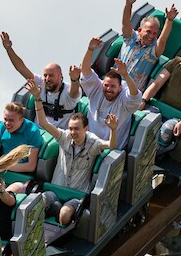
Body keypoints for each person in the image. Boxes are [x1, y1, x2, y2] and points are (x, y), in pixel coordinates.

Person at [26, 80, 118, 226]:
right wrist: (37, 98)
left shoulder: (93, 144)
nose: (73, 132)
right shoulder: (64, 137)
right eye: (71, 128)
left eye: (76, 129)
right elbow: (43, 123)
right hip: (55, 189)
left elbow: (112, 145)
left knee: (64, 215)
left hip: (76, 195)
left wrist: (113, 129)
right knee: (36, 205)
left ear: (86, 128)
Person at [70, 39, 142, 149]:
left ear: (120, 88)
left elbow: (134, 95)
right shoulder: (97, 89)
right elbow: (85, 71)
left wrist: (125, 75)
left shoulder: (124, 99)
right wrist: (90, 49)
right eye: (106, 85)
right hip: (89, 145)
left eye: (113, 86)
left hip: (112, 150)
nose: (108, 89)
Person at [0, 31, 78, 129]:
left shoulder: (67, 91)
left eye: (51, 76)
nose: (47, 79)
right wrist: (9, 49)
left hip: (58, 137)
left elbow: (74, 92)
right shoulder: (41, 84)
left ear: (60, 76)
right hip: (37, 133)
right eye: (45, 75)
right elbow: (21, 68)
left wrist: (74, 79)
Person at [120, 0, 176, 88]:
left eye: (154, 33)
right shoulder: (131, 38)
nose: (151, 36)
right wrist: (128, 4)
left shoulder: (154, 50)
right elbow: (125, 22)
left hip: (131, 92)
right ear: (140, 30)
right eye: (148, 32)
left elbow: (162, 40)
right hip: (114, 82)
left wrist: (169, 20)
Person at [0, 101, 44, 185]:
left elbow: (31, 166)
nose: (7, 123)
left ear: (21, 120)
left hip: (21, 176)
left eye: (11, 120)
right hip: (1, 171)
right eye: (5, 119)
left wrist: (4, 166)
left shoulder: (32, 132)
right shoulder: (1, 128)